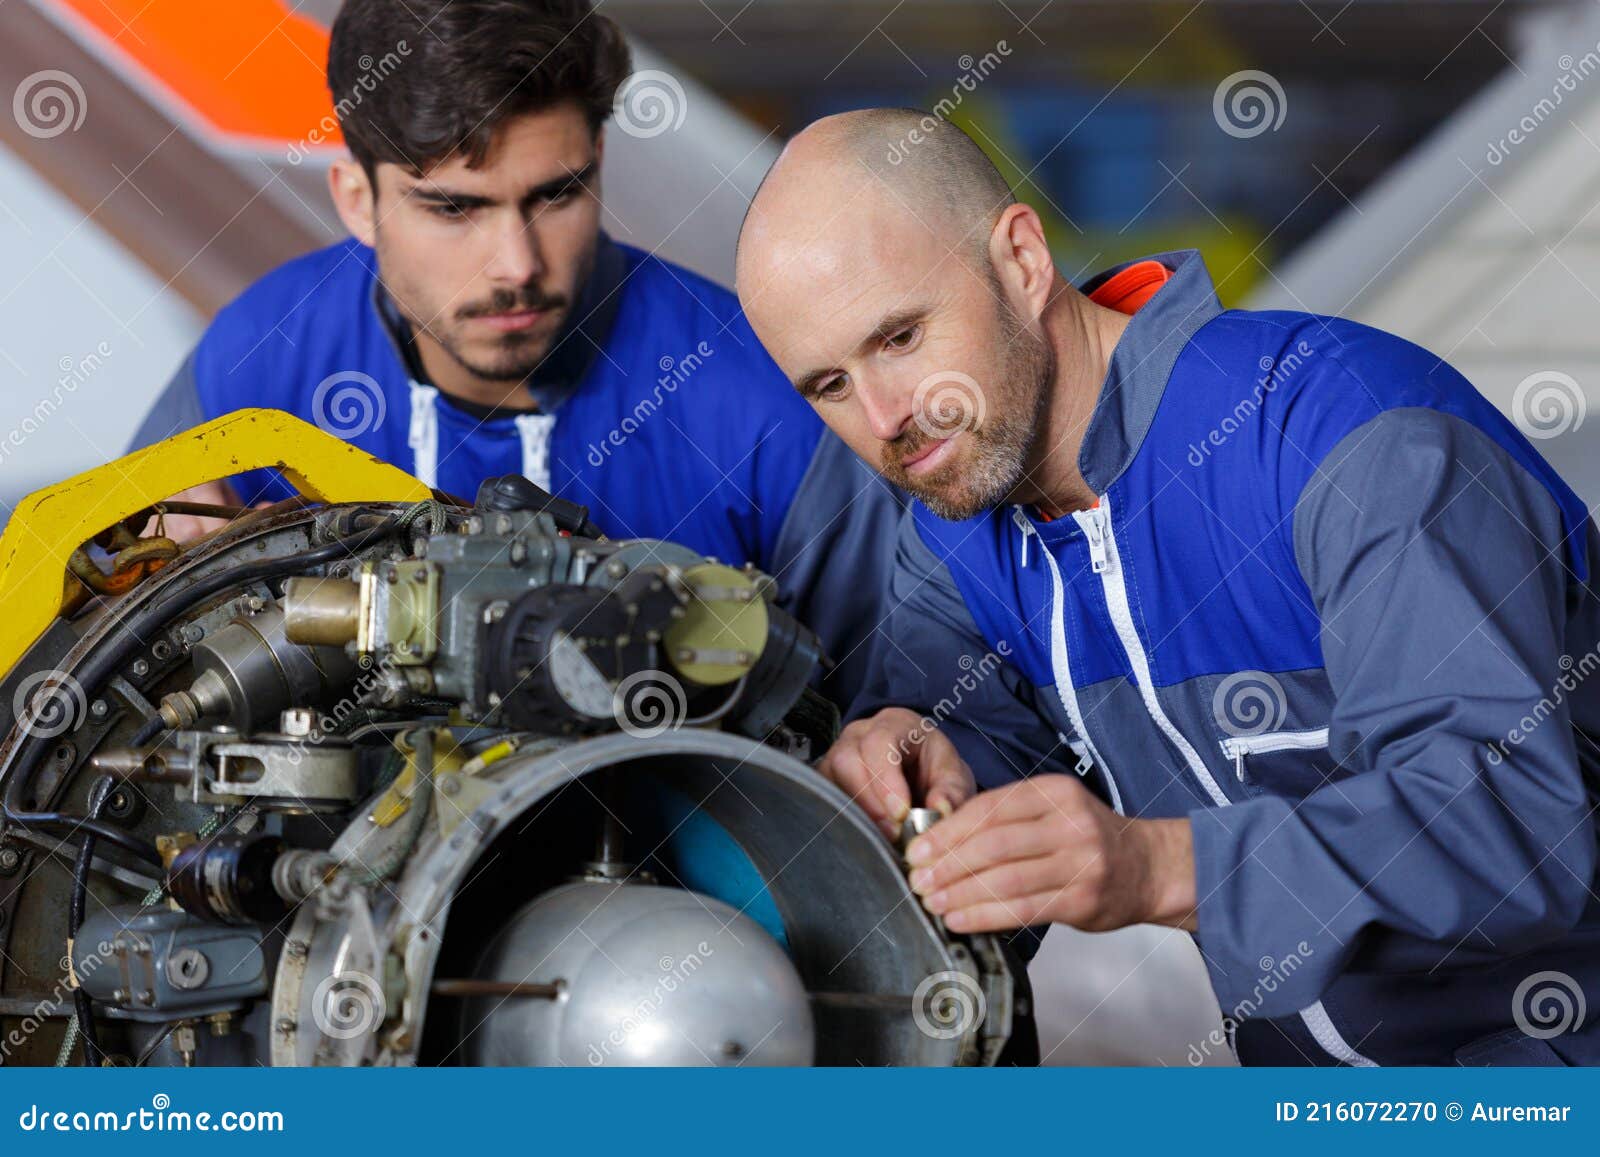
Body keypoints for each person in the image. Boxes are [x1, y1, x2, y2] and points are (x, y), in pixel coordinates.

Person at [735, 108, 1600, 1065]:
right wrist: (905, 774)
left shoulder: (1347, 440)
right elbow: (967, 776)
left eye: (900, 335)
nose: (887, 416)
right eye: (829, 386)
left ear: (1021, 261)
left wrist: (1158, 867)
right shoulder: (953, 543)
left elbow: (1511, 821)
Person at [129, 0, 902, 710]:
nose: (516, 265)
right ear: (357, 200)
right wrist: (150, 577)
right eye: (455, 207)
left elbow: (902, 711)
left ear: (598, 157)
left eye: (555, 195)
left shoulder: (759, 394)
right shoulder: (258, 360)